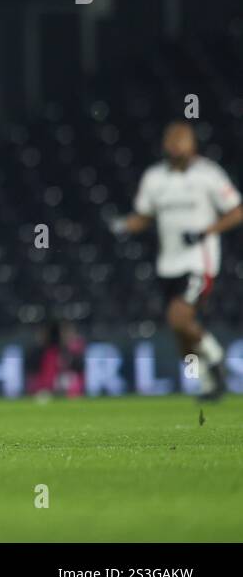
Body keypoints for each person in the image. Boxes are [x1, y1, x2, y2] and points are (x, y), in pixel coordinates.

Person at [109, 120, 243, 401]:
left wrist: (207, 231)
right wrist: (122, 225)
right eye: (171, 139)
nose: (175, 144)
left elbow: (237, 211)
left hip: (199, 261)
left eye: (181, 139)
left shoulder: (208, 174)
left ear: (192, 143)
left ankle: (216, 357)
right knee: (180, 332)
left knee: (179, 317)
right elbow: (144, 216)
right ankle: (207, 383)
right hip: (167, 264)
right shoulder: (154, 178)